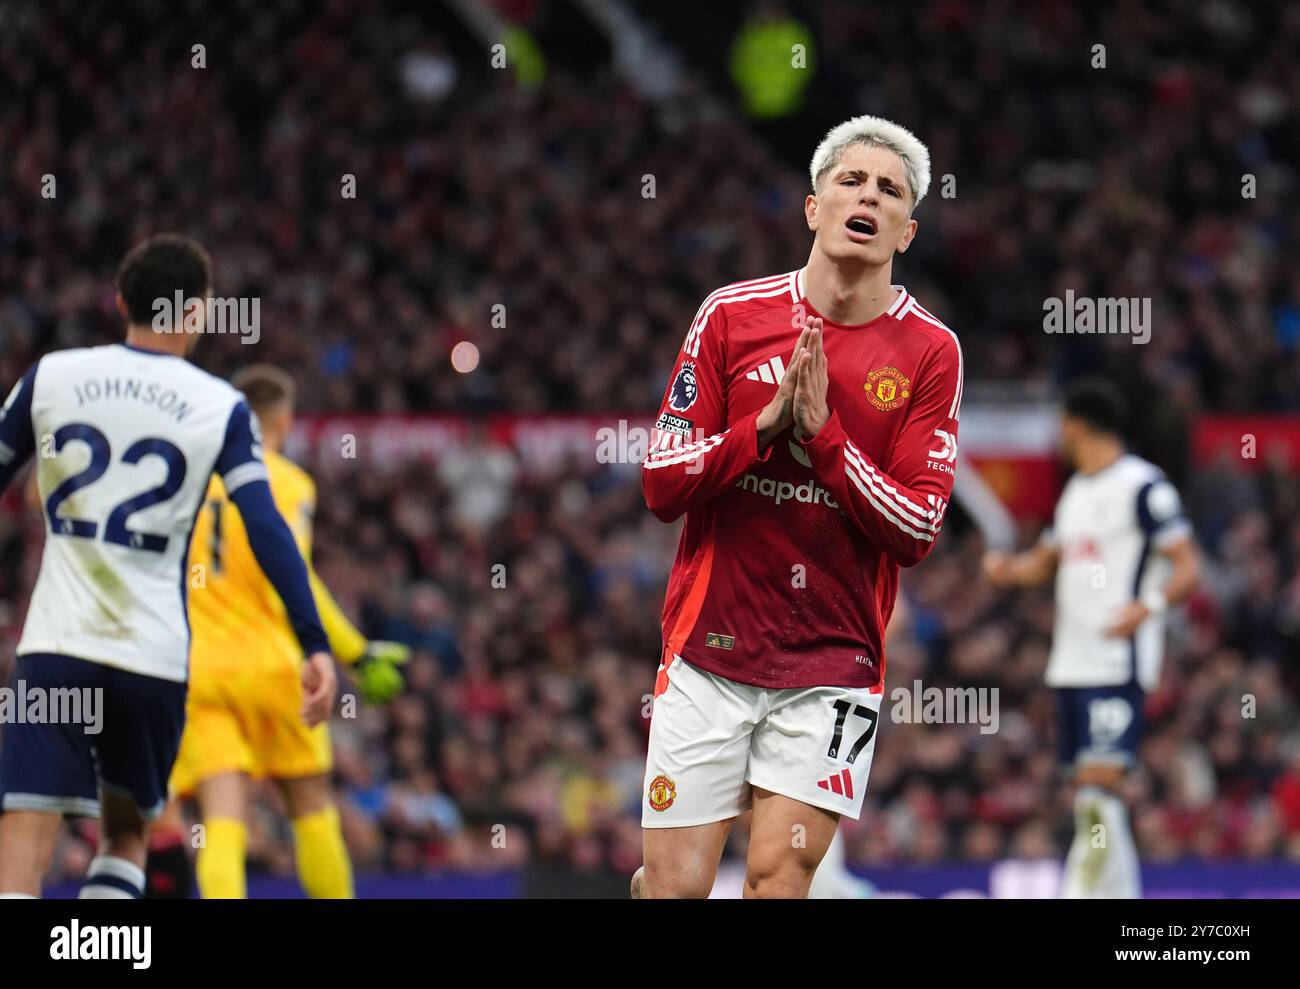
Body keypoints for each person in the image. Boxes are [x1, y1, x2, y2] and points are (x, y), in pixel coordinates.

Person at [634, 115, 963, 898]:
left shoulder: (930, 351)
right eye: (851, 180)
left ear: (906, 230)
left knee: (778, 880)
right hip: (709, 652)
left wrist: (823, 440)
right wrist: (762, 429)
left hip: (834, 665)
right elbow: (661, 482)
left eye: (889, 190)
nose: (868, 196)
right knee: (675, 889)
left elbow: (919, 525)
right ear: (814, 207)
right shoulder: (730, 316)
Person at [0, 234, 334, 898]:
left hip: (57, 644)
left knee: (26, 818)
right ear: (200, 313)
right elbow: (265, 527)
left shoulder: (54, 375)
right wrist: (313, 638)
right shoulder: (219, 405)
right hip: (152, 658)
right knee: (126, 829)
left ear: (122, 301)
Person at [163, 364, 409, 899]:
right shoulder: (287, 482)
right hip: (275, 669)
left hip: (201, 671)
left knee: (222, 819)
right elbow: (294, 577)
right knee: (311, 806)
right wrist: (354, 651)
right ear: (284, 420)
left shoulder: (189, 482)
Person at [983, 377, 1202, 898]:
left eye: (1061, 422)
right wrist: (1008, 571)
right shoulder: (1077, 491)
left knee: (1097, 796)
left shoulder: (1144, 486)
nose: (1058, 433)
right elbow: (1048, 561)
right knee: (1093, 796)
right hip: (1071, 664)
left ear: (1077, 424)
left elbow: (1189, 566)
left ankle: (1078, 894)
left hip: (1115, 661)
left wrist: (1146, 608)